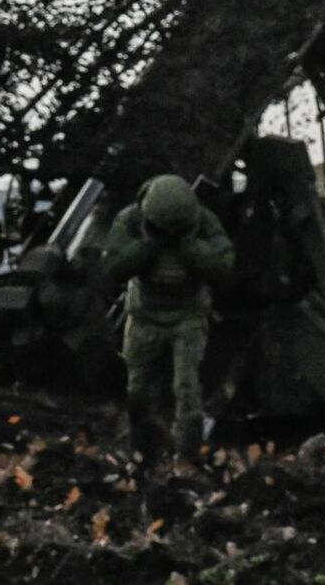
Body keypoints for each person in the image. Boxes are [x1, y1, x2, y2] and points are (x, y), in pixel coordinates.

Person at [103, 173, 234, 463]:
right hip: (145, 315)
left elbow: (223, 266)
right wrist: (148, 246)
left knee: (187, 388)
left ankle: (188, 454)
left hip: (187, 315)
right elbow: (114, 266)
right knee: (137, 387)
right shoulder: (130, 220)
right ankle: (142, 451)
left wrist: (190, 247)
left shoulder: (204, 222)